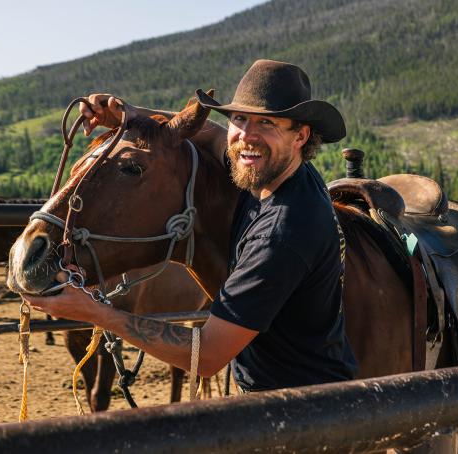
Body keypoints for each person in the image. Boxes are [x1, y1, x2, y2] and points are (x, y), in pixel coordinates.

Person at [23, 59, 358, 392]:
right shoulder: (273, 169)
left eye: (267, 123)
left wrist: (96, 312)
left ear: (300, 136)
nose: (246, 136)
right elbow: (210, 133)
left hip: (301, 408)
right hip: (301, 392)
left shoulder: (282, 232)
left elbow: (208, 354)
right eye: (240, 119)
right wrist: (132, 113)